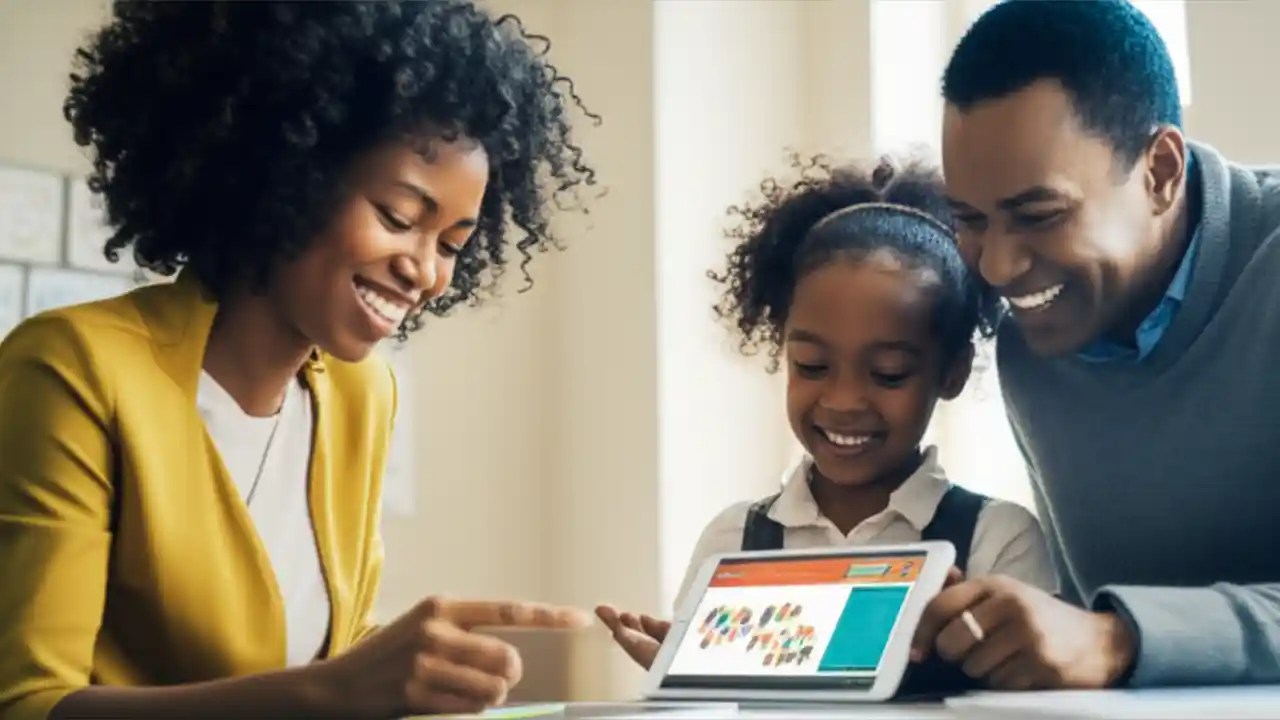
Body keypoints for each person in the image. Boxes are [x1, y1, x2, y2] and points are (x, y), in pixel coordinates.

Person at [0, 3, 600, 719]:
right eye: (400, 217)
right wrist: (339, 690)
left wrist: (440, 673)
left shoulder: (361, 393)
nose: (425, 272)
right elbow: (30, 704)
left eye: (451, 245)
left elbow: (320, 657)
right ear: (283, 174)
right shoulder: (75, 369)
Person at [912, 0, 1280, 691]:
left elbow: (1111, 636)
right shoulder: (1032, 347)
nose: (997, 267)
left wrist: (1120, 638)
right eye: (971, 219)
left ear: (1160, 171)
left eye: (1039, 215)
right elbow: (1094, 618)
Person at [597, 157, 1056, 690]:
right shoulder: (735, 541)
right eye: (812, 367)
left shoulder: (995, 541)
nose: (843, 401)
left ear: (951, 373)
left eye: (888, 374)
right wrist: (682, 684)